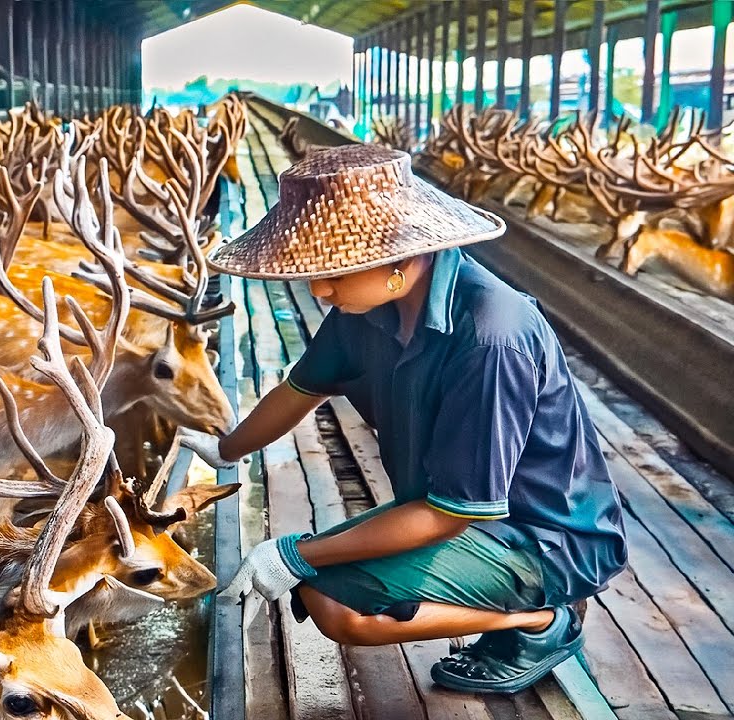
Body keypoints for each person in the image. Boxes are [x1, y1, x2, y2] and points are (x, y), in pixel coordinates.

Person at [182, 144, 627, 694]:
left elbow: (450, 515)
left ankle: (541, 622)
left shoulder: (491, 337)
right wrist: (226, 449)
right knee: (316, 582)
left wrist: (292, 553)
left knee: (336, 605)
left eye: (334, 272)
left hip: (541, 537)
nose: (319, 290)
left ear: (401, 257)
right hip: (447, 506)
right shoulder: (365, 306)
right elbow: (299, 391)